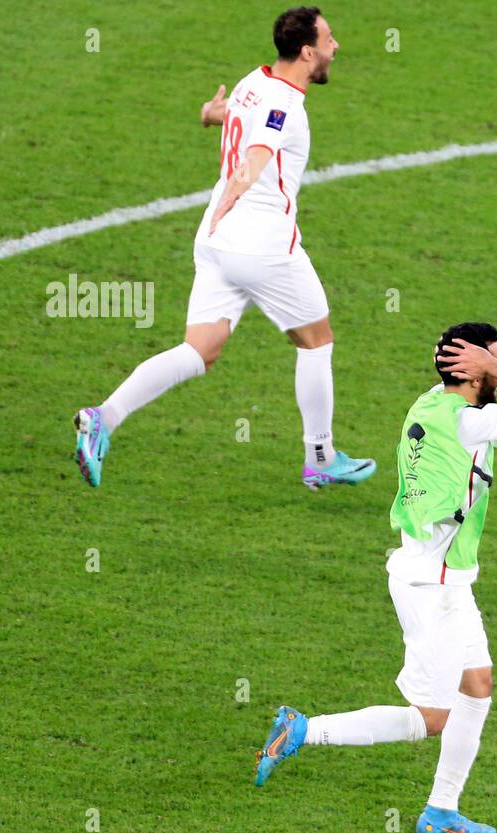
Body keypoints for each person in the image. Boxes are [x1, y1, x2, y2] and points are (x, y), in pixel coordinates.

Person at [254, 322, 497, 833]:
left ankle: (441, 810)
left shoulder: (431, 403)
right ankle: (305, 730)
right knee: (430, 718)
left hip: (438, 576)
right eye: (494, 363)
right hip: (433, 587)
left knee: (478, 685)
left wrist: (488, 370)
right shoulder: (468, 422)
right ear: (475, 369)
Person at [72, 7, 374, 490]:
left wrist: (210, 115)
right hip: (261, 243)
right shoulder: (285, 106)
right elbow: (257, 155)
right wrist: (235, 190)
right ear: (307, 51)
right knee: (317, 340)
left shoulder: (255, 80)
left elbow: (234, 112)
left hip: (216, 242)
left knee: (200, 350)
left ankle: (102, 418)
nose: (336, 47)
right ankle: (321, 457)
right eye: (330, 39)